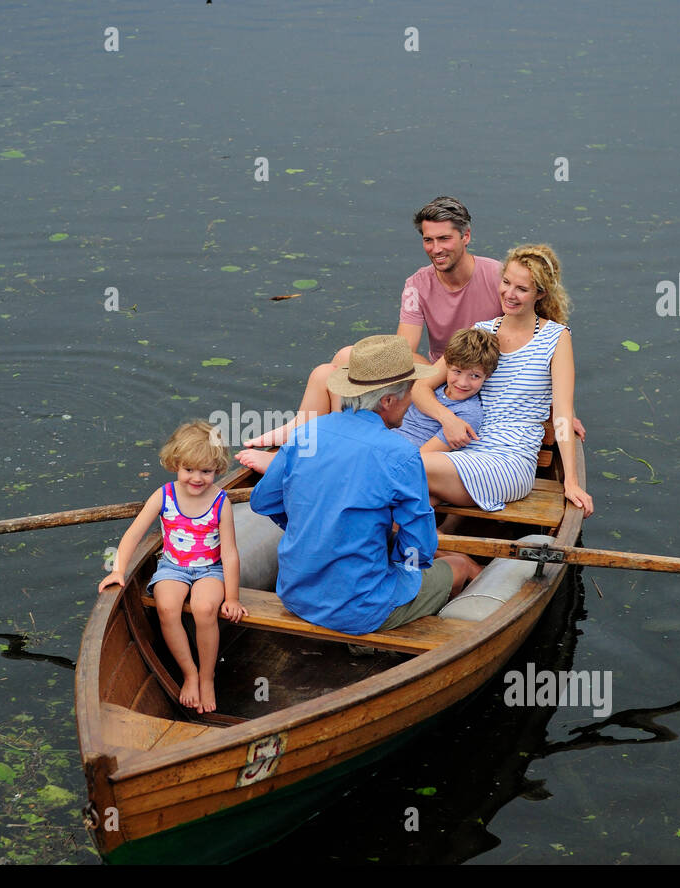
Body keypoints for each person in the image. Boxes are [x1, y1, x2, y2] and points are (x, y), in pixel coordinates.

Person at [236, 196, 581, 471]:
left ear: (466, 237)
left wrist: (563, 411)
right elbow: (401, 349)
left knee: (344, 365)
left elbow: (529, 338)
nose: (436, 248)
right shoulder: (417, 283)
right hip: (440, 371)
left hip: (475, 377)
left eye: (444, 238)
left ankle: (324, 446)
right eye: (428, 240)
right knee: (331, 368)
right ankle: (304, 431)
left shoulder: (498, 278)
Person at [250, 335, 481, 636]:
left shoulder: (307, 432)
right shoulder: (401, 455)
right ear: (387, 401)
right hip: (361, 610)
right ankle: (389, 635)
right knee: (460, 564)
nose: (414, 400)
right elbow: (419, 547)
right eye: (410, 390)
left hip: (294, 594)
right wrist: (401, 565)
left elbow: (264, 501)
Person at [414, 244, 594, 517]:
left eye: (521, 289)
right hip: (463, 451)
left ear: (541, 293)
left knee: (405, 466)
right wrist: (448, 419)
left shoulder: (556, 338)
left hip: (508, 462)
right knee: (406, 505)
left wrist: (571, 482)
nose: (509, 294)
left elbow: (563, 415)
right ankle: (447, 557)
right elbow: (420, 387)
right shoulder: (481, 332)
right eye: (506, 282)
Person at [99, 421, 246, 713]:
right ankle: (189, 673)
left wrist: (232, 597)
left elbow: (229, 553)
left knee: (205, 609)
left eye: (206, 471)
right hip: (173, 567)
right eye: (189, 469)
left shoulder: (220, 502)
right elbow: (134, 533)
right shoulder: (164, 495)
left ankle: (207, 677)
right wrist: (118, 569)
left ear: (217, 469)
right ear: (175, 464)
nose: (197, 478)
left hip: (210, 569)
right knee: (166, 607)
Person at [394, 326, 499, 452]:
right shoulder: (433, 388)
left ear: (487, 376)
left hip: (402, 458)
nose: (462, 383)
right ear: (447, 366)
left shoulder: (469, 414)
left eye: (475, 376)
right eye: (457, 371)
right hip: (385, 442)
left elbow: (422, 458)